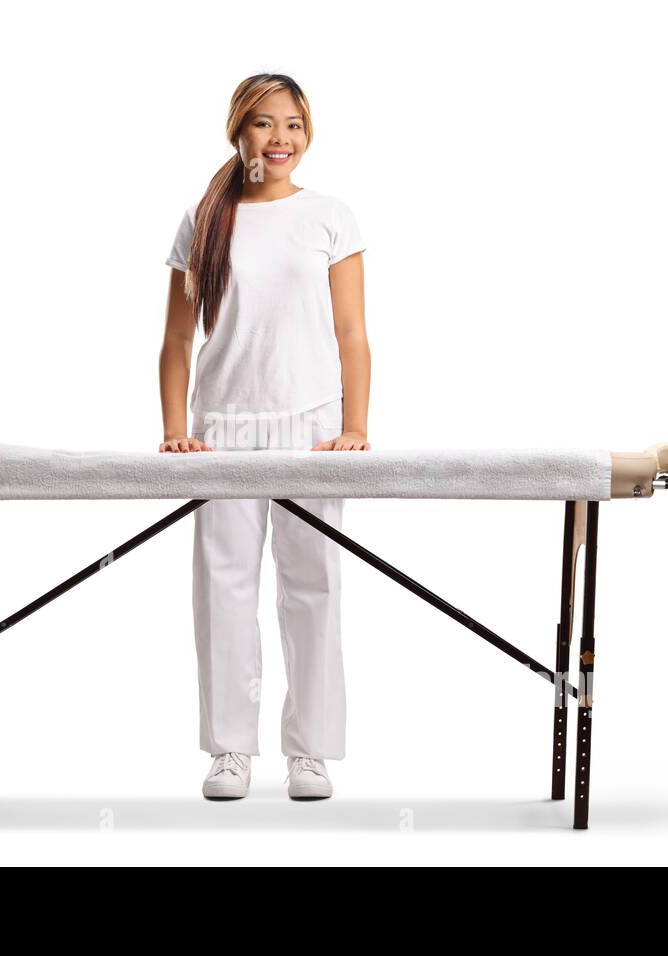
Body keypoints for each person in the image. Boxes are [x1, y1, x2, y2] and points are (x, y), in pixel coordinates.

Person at [157, 73, 371, 801]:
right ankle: (229, 750)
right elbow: (178, 339)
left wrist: (355, 426)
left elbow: (352, 334)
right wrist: (176, 429)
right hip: (224, 427)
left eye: (292, 125)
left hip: (310, 426)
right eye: (263, 124)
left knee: (313, 585)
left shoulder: (331, 217)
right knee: (223, 588)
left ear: (307, 135)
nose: (279, 139)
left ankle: (309, 752)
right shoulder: (205, 219)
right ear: (237, 132)